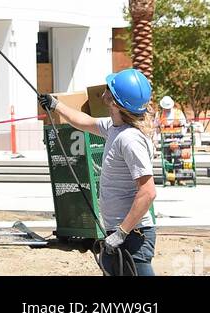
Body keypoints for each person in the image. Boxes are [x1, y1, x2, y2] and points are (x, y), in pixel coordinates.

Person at [40, 67, 156, 276]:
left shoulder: (130, 139)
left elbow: (148, 192)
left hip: (133, 236)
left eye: (108, 89)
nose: (104, 92)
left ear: (115, 101)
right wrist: (56, 105)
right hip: (120, 234)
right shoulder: (115, 127)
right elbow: (85, 122)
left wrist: (122, 232)